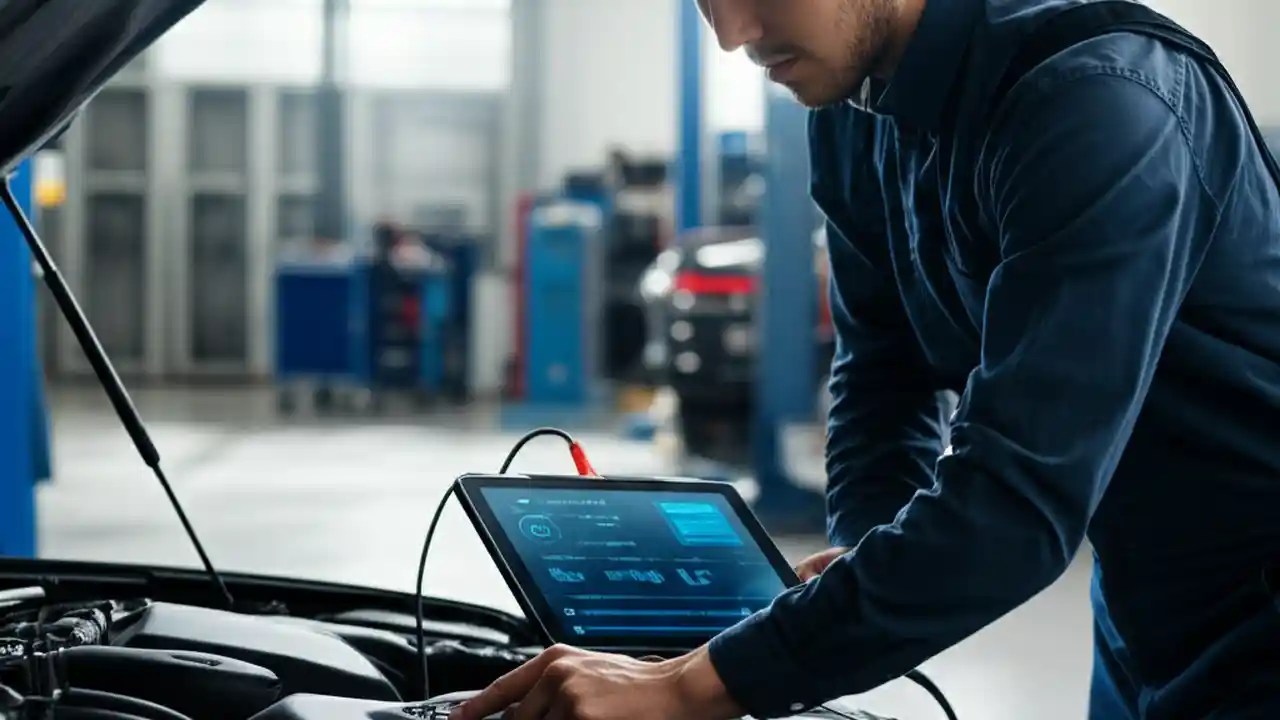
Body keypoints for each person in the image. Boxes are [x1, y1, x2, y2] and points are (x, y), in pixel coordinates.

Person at [452, 0, 1280, 717]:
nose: (733, 33)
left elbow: (1015, 507)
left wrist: (687, 688)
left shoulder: (1097, 104)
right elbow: (883, 371)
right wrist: (866, 544)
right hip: (1144, 616)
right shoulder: (853, 112)